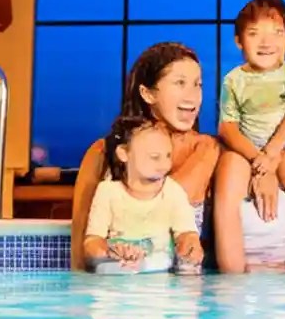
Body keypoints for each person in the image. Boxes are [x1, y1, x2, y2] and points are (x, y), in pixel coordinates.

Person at [70, 43, 220, 271]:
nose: (192, 96)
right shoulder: (104, 151)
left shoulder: (206, 149)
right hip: (116, 285)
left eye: (198, 85)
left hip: (177, 291)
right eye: (180, 83)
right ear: (147, 93)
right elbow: (81, 242)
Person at [213, 0, 285, 273]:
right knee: (228, 182)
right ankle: (231, 271)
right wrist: (256, 158)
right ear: (238, 41)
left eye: (277, 33)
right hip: (246, 150)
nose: (266, 42)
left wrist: (272, 154)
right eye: (254, 33)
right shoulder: (234, 79)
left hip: (284, 147)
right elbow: (228, 127)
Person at [83, 115, 204, 274]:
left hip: (158, 273)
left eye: (168, 155)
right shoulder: (108, 192)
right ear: (124, 153)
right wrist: (110, 251)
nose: (164, 165)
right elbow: (92, 243)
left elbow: (188, 234)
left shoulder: (173, 192)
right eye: (155, 157)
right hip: (117, 270)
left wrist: (190, 248)